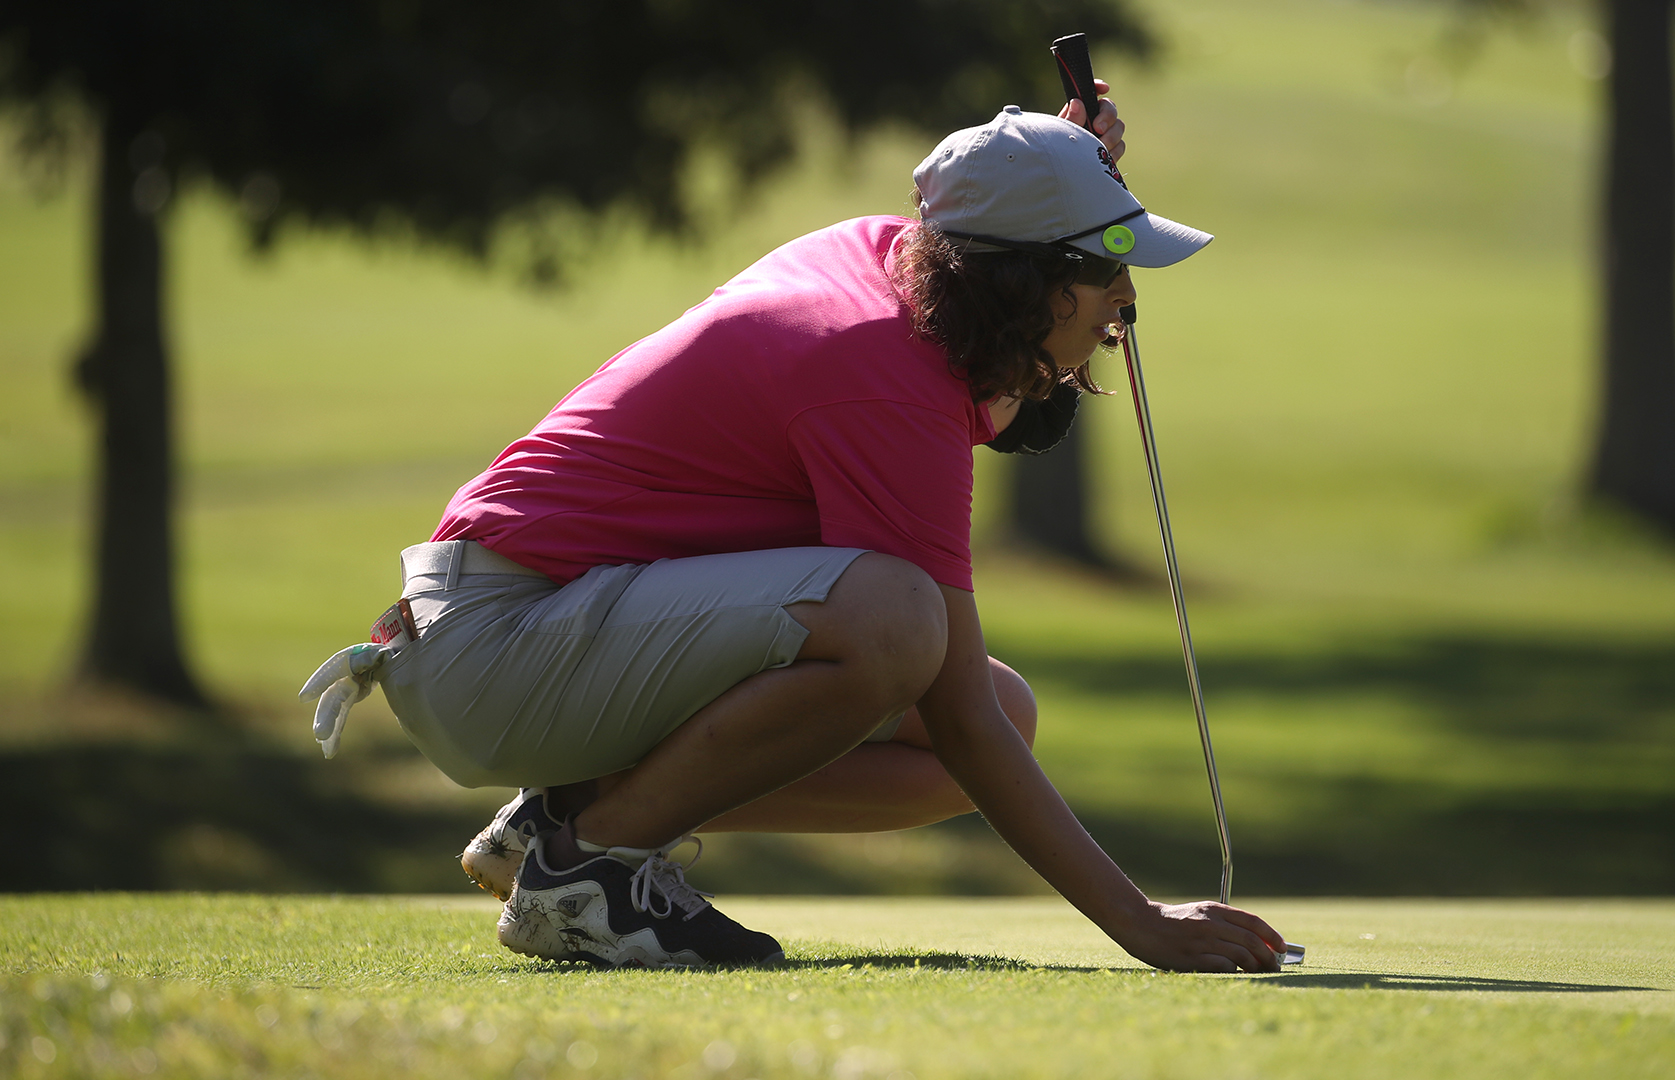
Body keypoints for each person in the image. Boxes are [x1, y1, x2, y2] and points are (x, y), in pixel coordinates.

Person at [302, 86, 1288, 973]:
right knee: (901, 622)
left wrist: (1058, 174)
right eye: (1103, 266)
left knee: (997, 704)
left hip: (533, 631)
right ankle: (588, 872)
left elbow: (990, 361)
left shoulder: (901, 266)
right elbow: (950, 704)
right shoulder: (878, 371)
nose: (1125, 300)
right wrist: (1141, 924)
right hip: (494, 645)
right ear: (1024, 286)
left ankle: (576, 817)